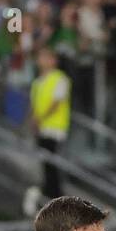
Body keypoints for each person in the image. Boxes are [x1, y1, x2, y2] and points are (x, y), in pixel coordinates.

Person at [30, 46, 71, 198]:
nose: (40, 61)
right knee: (46, 165)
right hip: (42, 128)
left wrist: (40, 118)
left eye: (44, 57)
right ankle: (48, 194)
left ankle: (56, 195)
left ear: (53, 61)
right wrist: (34, 119)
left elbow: (56, 102)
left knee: (53, 165)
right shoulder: (38, 81)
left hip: (55, 128)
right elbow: (35, 104)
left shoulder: (60, 78)